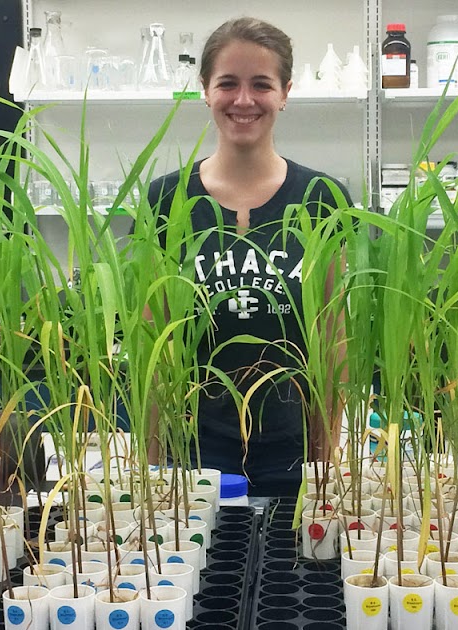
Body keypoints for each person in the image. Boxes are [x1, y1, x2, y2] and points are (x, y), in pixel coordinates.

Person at [146, 17, 352, 497]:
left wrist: (326, 462)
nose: (243, 100)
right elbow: (155, 346)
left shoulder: (322, 198)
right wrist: (152, 469)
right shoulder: (166, 200)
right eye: (228, 84)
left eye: (261, 84)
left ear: (285, 93)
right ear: (205, 90)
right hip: (192, 456)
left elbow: (334, 340)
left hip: (293, 452)